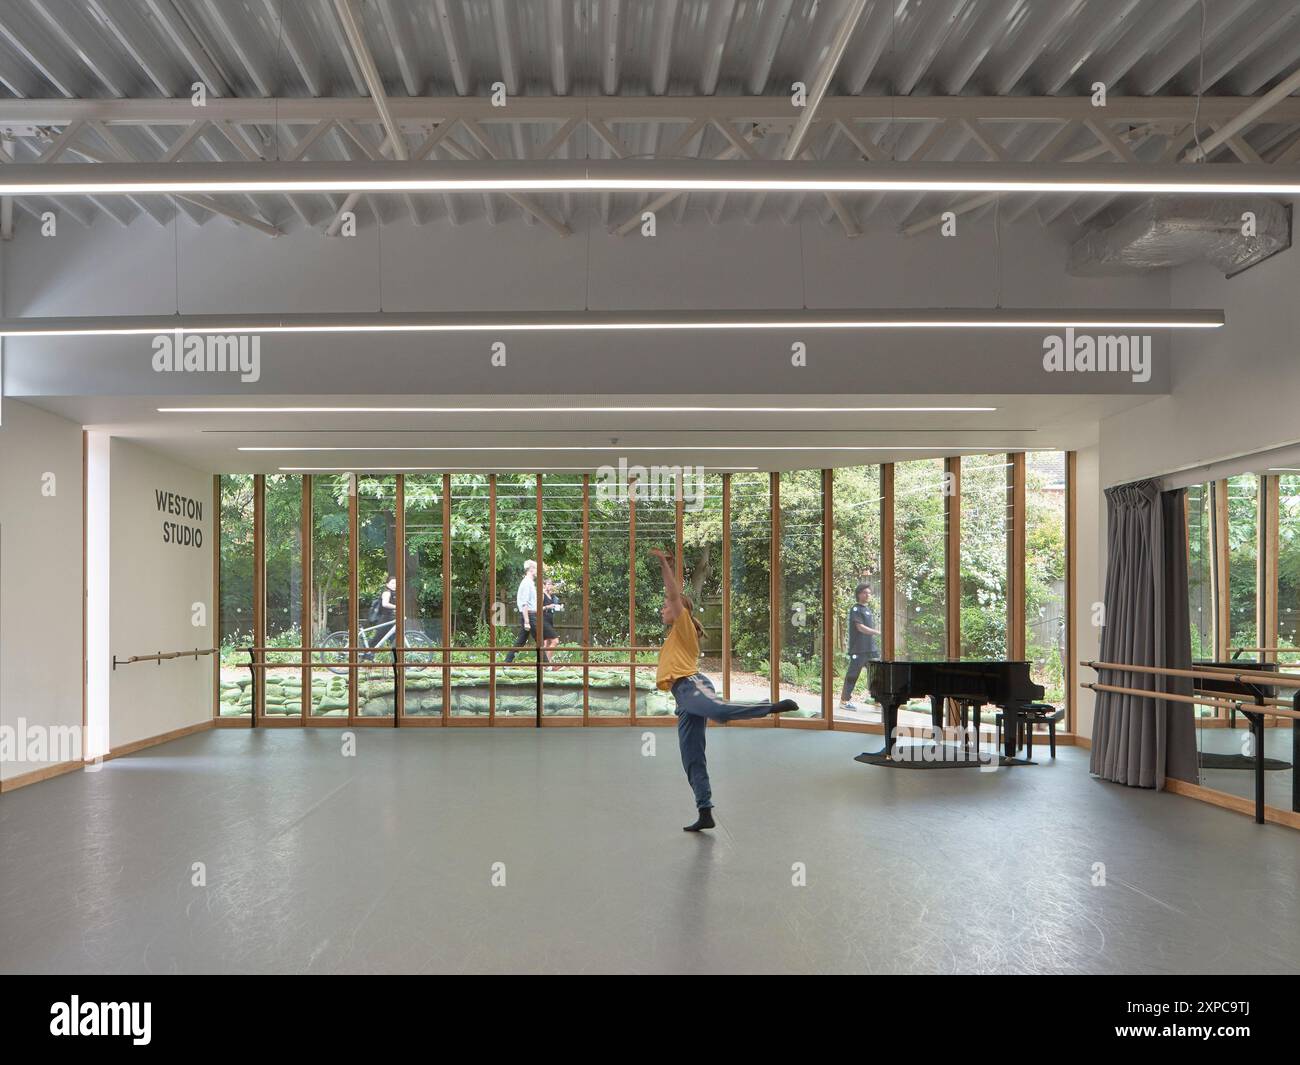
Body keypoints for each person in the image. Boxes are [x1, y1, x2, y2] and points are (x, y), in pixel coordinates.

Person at [650, 546, 799, 832]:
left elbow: (672, 592)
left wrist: (664, 566)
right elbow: (672, 596)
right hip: (683, 699)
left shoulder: (684, 626)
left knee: (719, 711)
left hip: (693, 686)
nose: (663, 608)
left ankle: (769, 706)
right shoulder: (675, 635)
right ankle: (705, 810)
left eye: (667, 606)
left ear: (681, 610)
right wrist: (669, 564)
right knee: (691, 757)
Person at [839, 582, 880, 711]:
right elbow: (860, 628)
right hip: (859, 649)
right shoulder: (855, 609)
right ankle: (844, 701)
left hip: (870, 650)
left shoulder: (867, 610)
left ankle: (878, 700)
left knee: (876, 675)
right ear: (859, 594)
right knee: (853, 675)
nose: (868, 595)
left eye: (869, 593)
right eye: (865, 593)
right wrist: (877, 632)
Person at [503, 560, 540, 663]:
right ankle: (546, 665)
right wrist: (527, 621)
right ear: (531, 569)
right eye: (536, 568)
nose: (537, 571)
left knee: (521, 641)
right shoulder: (526, 583)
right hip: (529, 615)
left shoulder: (530, 583)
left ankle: (507, 662)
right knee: (539, 640)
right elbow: (524, 604)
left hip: (530, 615)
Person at [541, 577, 563, 667]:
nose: (550, 586)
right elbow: (538, 609)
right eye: (548, 584)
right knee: (555, 641)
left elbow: (552, 606)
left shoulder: (551, 595)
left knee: (546, 643)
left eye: (551, 584)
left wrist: (557, 607)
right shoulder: (542, 594)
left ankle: (545, 665)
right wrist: (548, 607)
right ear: (544, 585)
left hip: (550, 620)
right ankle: (548, 664)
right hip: (543, 620)